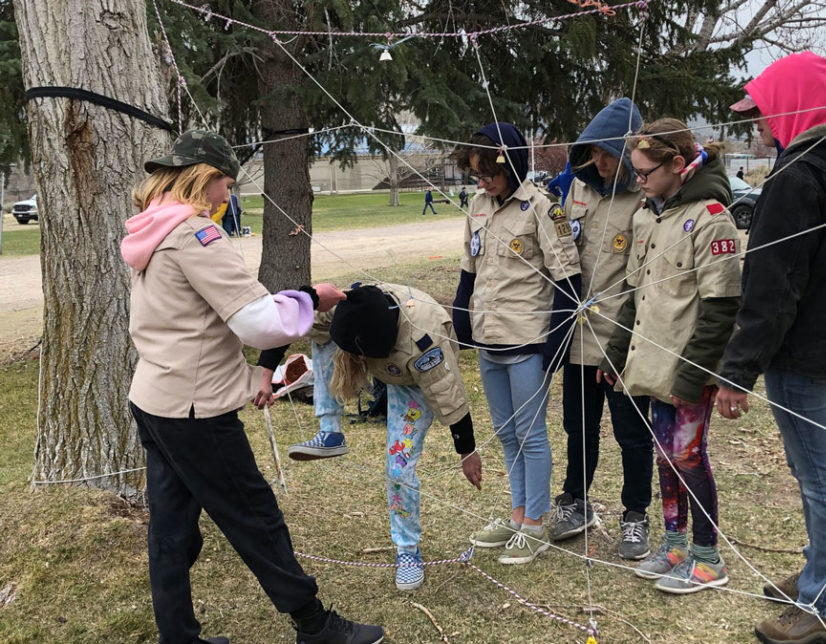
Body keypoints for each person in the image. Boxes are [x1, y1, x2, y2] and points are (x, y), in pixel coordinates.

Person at [121, 129, 384, 644]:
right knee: (254, 515)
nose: (228, 196)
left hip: (155, 397)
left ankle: (178, 637)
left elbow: (195, 320)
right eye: (226, 184)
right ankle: (314, 625)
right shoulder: (195, 235)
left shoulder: (150, 231)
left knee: (171, 528)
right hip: (195, 412)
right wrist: (312, 297)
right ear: (204, 179)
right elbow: (258, 324)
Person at [717, 52, 826, 644]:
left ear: (790, 106)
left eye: (762, 113)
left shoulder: (796, 176)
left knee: (819, 475)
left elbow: (772, 285)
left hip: (802, 350)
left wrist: (736, 370)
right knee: (814, 471)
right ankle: (822, 575)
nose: (757, 125)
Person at [256, 283, 482, 591]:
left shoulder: (425, 342)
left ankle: (408, 552)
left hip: (411, 383)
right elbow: (292, 318)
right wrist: (265, 372)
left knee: (398, 468)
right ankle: (330, 431)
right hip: (371, 346)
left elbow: (448, 393)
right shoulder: (345, 305)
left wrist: (467, 452)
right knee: (321, 336)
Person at [598, 118, 741, 594]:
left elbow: (720, 309)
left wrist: (694, 375)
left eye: (644, 172)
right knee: (665, 456)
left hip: (686, 370)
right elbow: (634, 293)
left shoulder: (711, 217)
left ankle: (707, 557)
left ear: (677, 165)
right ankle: (675, 543)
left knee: (687, 456)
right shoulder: (645, 216)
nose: (637, 180)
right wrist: (615, 353)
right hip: (651, 366)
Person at [452, 122, 582, 565]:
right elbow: (470, 266)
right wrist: (460, 310)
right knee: (506, 435)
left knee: (531, 437)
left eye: (489, 173)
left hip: (528, 343)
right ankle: (517, 513)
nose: (483, 182)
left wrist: (556, 345)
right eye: (476, 174)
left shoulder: (542, 209)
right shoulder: (477, 205)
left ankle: (536, 523)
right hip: (491, 341)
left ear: (513, 164)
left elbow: (569, 281)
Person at [552, 98, 654, 561]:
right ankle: (576, 500)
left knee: (631, 432)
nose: (600, 161)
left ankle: (635, 514)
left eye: (609, 153)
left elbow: (645, 277)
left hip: (622, 339)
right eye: (593, 152)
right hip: (577, 336)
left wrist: (625, 338)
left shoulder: (643, 199)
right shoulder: (576, 188)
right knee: (579, 426)